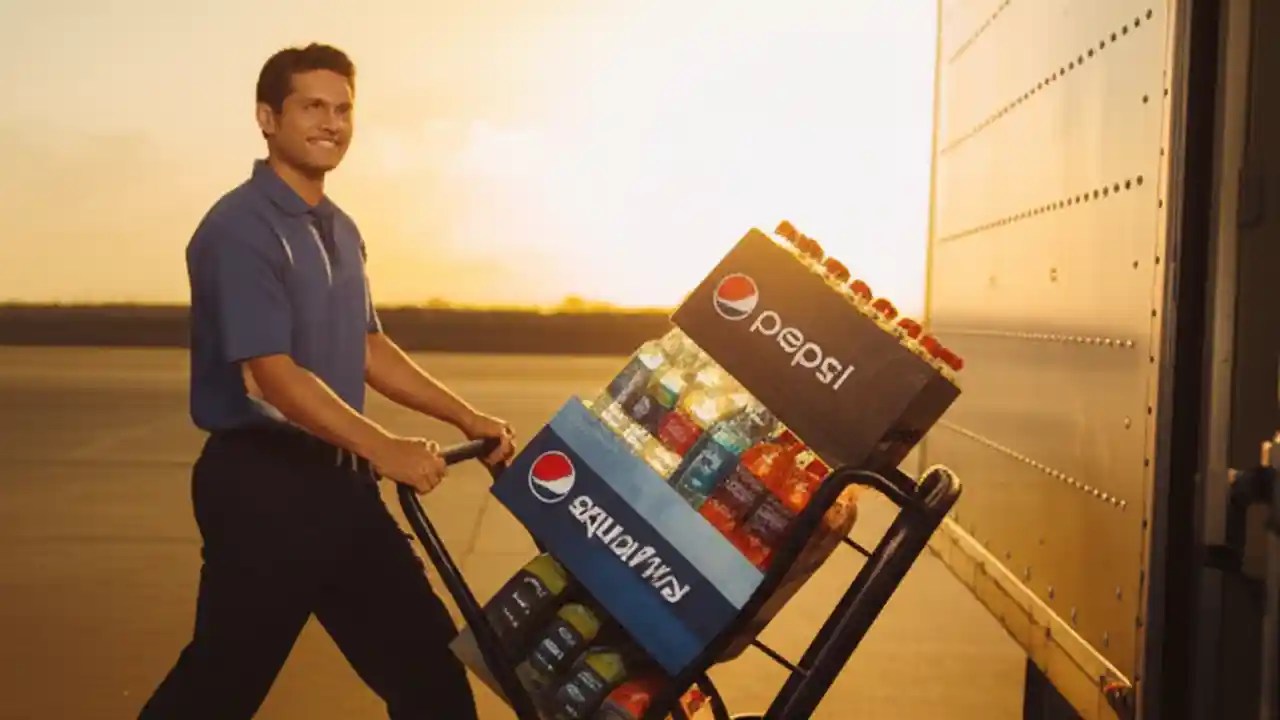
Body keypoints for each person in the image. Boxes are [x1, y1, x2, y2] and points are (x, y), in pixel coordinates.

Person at [138, 42, 515, 719]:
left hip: (341, 487)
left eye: (343, 109)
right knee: (217, 690)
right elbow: (271, 377)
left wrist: (466, 418)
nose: (332, 122)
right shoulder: (238, 228)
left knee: (431, 680)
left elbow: (368, 347)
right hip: (262, 490)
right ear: (267, 117)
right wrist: (386, 448)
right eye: (312, 105)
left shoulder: (340, 229)